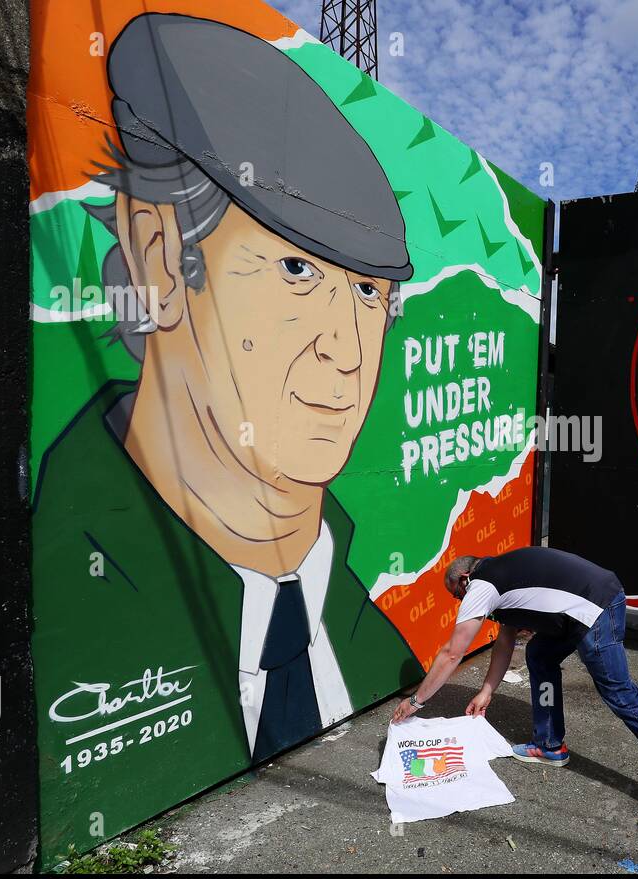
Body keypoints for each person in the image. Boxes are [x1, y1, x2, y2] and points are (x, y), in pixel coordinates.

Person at [32, 12, 422, 786]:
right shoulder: (64, 600)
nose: (347, 352)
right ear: (159, 257)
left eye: (371, 294)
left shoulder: (379, 644)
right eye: (296, 272)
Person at [391, 547, 638, 827]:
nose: (462, 603)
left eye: (458, 596)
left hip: (597, 607)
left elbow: (452, 653)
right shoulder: (504, 575)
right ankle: (549, 744)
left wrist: (416, 702)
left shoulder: (482, 583)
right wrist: (487, 691)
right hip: (588, 604)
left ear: (463, 578)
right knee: (540, 654)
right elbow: (506, 638)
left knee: (623, 697)